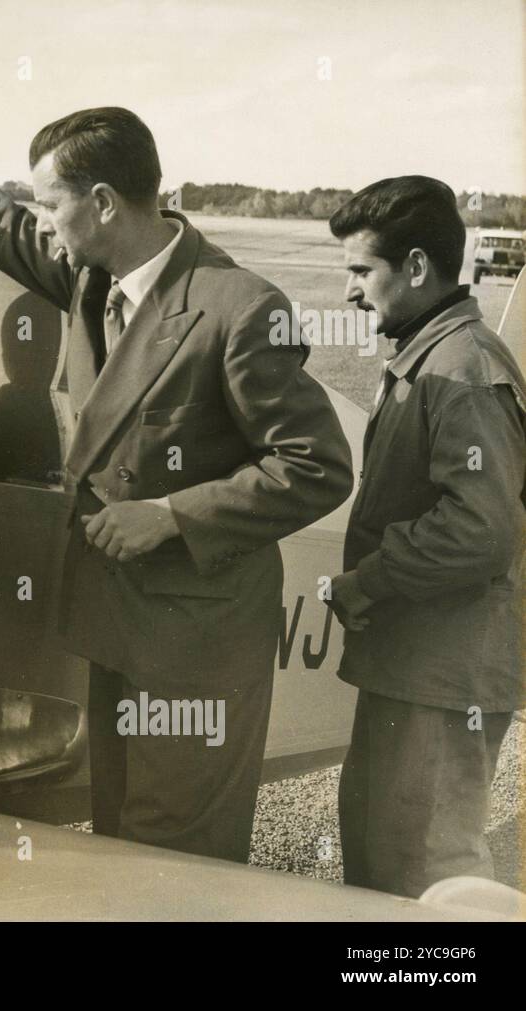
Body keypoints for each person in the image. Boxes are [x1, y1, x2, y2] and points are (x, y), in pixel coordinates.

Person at [0, 85, 353, 863]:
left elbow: (317, 466)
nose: (39, 221)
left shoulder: (239, 305)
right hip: (117, 625)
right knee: (121, 842)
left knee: (179, 860)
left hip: (197, 648)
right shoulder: (92, 280)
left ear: (101, 203)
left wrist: (172, 514)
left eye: (49, 202)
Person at [325, 176, 525, 897]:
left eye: (361, 270)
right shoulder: (431, 356)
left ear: (415, 267)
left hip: (442, 680)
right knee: (384, 874)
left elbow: (481, 528)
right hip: (416, 669)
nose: (350, 292)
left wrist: (370, 577)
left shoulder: (462, 368)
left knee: (434, 884)